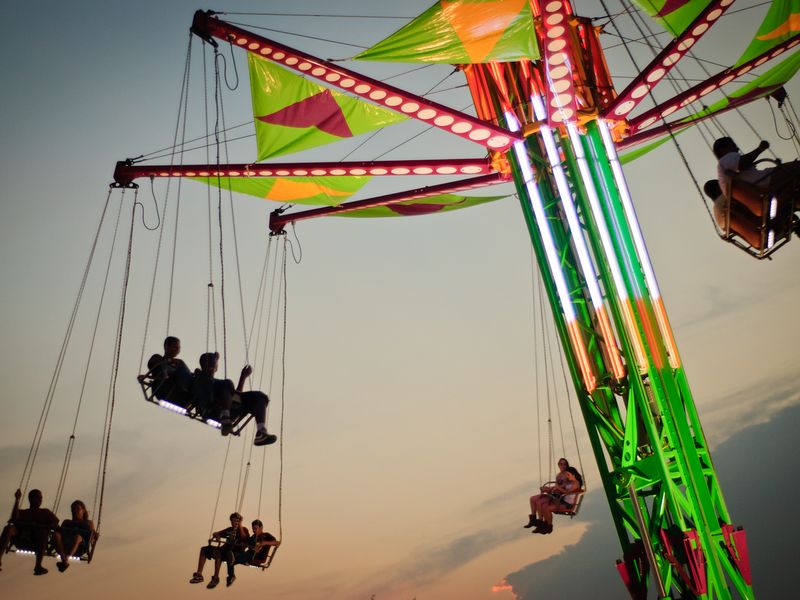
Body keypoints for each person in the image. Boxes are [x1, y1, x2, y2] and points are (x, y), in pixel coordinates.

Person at [192, 352, 277, 446]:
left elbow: (235, 397)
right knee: (227, 383)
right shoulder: (200, 378)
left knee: (260, 397)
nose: (214, 367)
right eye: (212, 364)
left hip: (230, 409)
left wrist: (243, 376)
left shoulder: (221, 386)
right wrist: (210, 365)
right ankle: (225, 418)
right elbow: (205, 379)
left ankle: (261, 432)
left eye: (214, 364)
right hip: (212, 409)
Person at [714, 136, 800, 207]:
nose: (737, 148)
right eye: (733, 145)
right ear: (723, 149)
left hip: (759, 194)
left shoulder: (724, 171)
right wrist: (760, 149)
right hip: (765, 183)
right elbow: (742, 163)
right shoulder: (725, 160)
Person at [0, 489, 69, 575]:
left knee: (43, 532)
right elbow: (15, 519)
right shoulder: (23, 512)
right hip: (22, 539)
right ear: (30, 499)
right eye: (37, 497)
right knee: (9, 528)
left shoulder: (46, 512)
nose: (40, 499)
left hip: (37, 542)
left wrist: (52, 527)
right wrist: (17, 500)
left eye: (41, 497)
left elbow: (56, 526)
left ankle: (38, 566)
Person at [189, 512, 250, 589]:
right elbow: (216, 533)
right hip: (223, 549)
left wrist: (240, 524)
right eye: (233, 521)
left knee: (219, 552)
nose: (235, 522)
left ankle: (216, 577)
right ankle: (199, 574)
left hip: (234, 552)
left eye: (237, 521)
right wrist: (217, 535)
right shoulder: (229, 529)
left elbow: (244, 538)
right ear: (231, 521)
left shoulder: (243, 529)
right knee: (204, 549)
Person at [524, 458, 582, 535]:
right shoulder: (568, 481)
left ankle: (546, 525)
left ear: (572, 474)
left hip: (565, 502)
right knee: (539, 502)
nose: (567, 476)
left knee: (542, 503)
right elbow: (558, 486)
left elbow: (566, 492)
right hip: (561, 499)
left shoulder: (575, 483)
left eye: (568, 475)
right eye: (560, 464)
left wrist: (556, 489)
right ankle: (541, 524)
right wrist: (550, 488)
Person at [223, 519, 279, 587]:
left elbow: (277, 543)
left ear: (261, 528)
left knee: (233, 559)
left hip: (257, 556)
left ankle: (232, 565)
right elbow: (246, 541)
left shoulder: (266, 535)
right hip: (248, 554)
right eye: (253, 529)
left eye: (255, 528)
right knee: (231, 554)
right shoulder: (253, 536)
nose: (254, 531)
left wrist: (265, 543)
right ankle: (231, 575)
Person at [145, 336, 194, 407]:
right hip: (164, 390)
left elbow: (186, 374)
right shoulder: (157, 358)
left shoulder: (178, 363)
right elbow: (155, 364)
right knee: (181, 366)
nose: (177, 350)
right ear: (166, 347)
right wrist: (169, 362)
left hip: (180, 392)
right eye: (175, 347)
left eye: (179, 348)